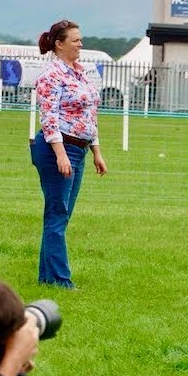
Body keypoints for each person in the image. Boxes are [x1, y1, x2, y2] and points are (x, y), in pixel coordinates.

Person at [31, 19, 107, 290]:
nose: (80, 44)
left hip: (80, 150)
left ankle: (47, 277)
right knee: (57, 212)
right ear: (59, 44)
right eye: (75, 40)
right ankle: (60, 280)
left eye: (80, 39)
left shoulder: (79, 72)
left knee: (60, 214)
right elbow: (49, 118)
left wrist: (96, 151)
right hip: (57, 151)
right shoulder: (51, 75)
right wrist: (61, 155)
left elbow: (89, 114)